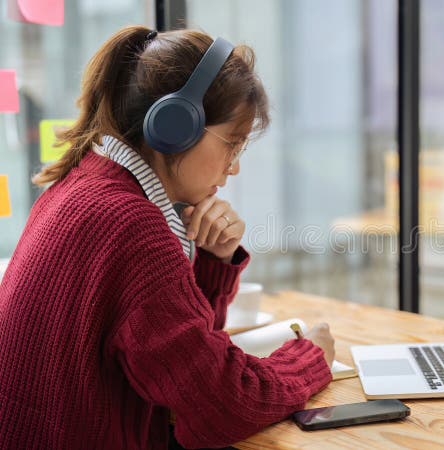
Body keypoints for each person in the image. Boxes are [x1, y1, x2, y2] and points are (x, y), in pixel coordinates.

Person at [0, 26, 335, 449]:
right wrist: (312, 358)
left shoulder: (81, 184)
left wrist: (214, 258)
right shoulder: (131, 226)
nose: (233, 168)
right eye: (232, 144)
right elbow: (223, 402)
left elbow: (179, 366)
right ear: (175, 125)